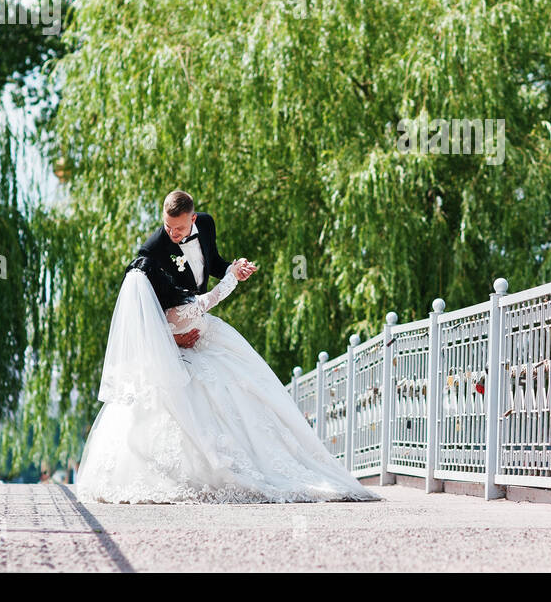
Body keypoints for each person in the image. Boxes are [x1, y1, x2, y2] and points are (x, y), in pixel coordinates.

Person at [75, 190, 381, 504]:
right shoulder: (152, 252)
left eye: (179, 229)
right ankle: (199, 473)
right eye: (168, 228)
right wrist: (172, 338)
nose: (173, 235)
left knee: (247, 389)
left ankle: (267, 461)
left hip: (202, 325)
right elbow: (148, 313)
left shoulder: (206, 225)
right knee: (182, 405)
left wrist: (235, 268)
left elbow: (214, 264)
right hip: (176, 334)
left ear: (193, 218)